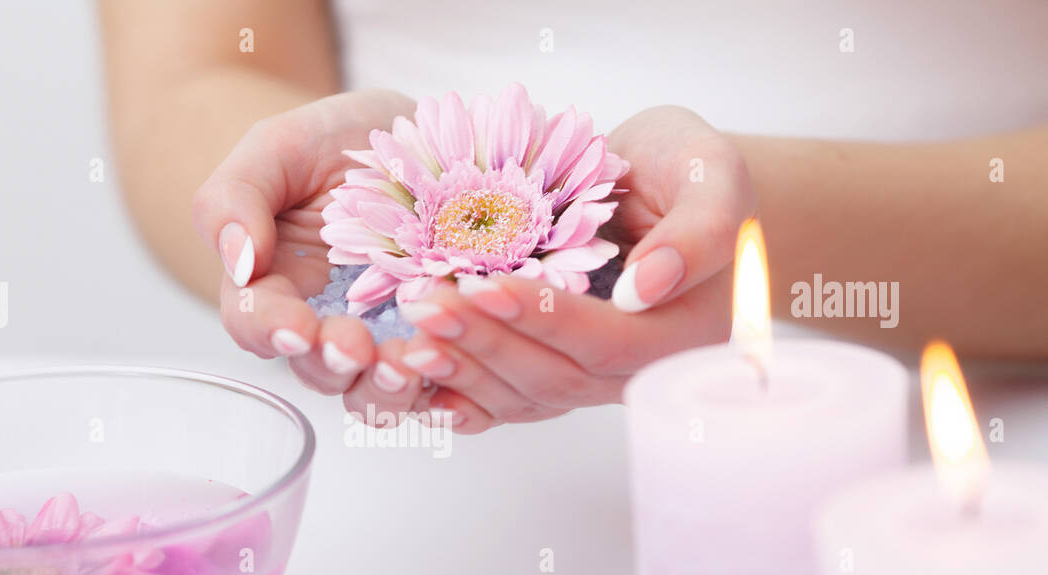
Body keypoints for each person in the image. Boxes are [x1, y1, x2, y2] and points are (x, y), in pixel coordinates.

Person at [100, 0, 1048, 432]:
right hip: (419, 499)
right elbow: (198, 71)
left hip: (966, 424)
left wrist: (702, 227)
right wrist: (299, 230)